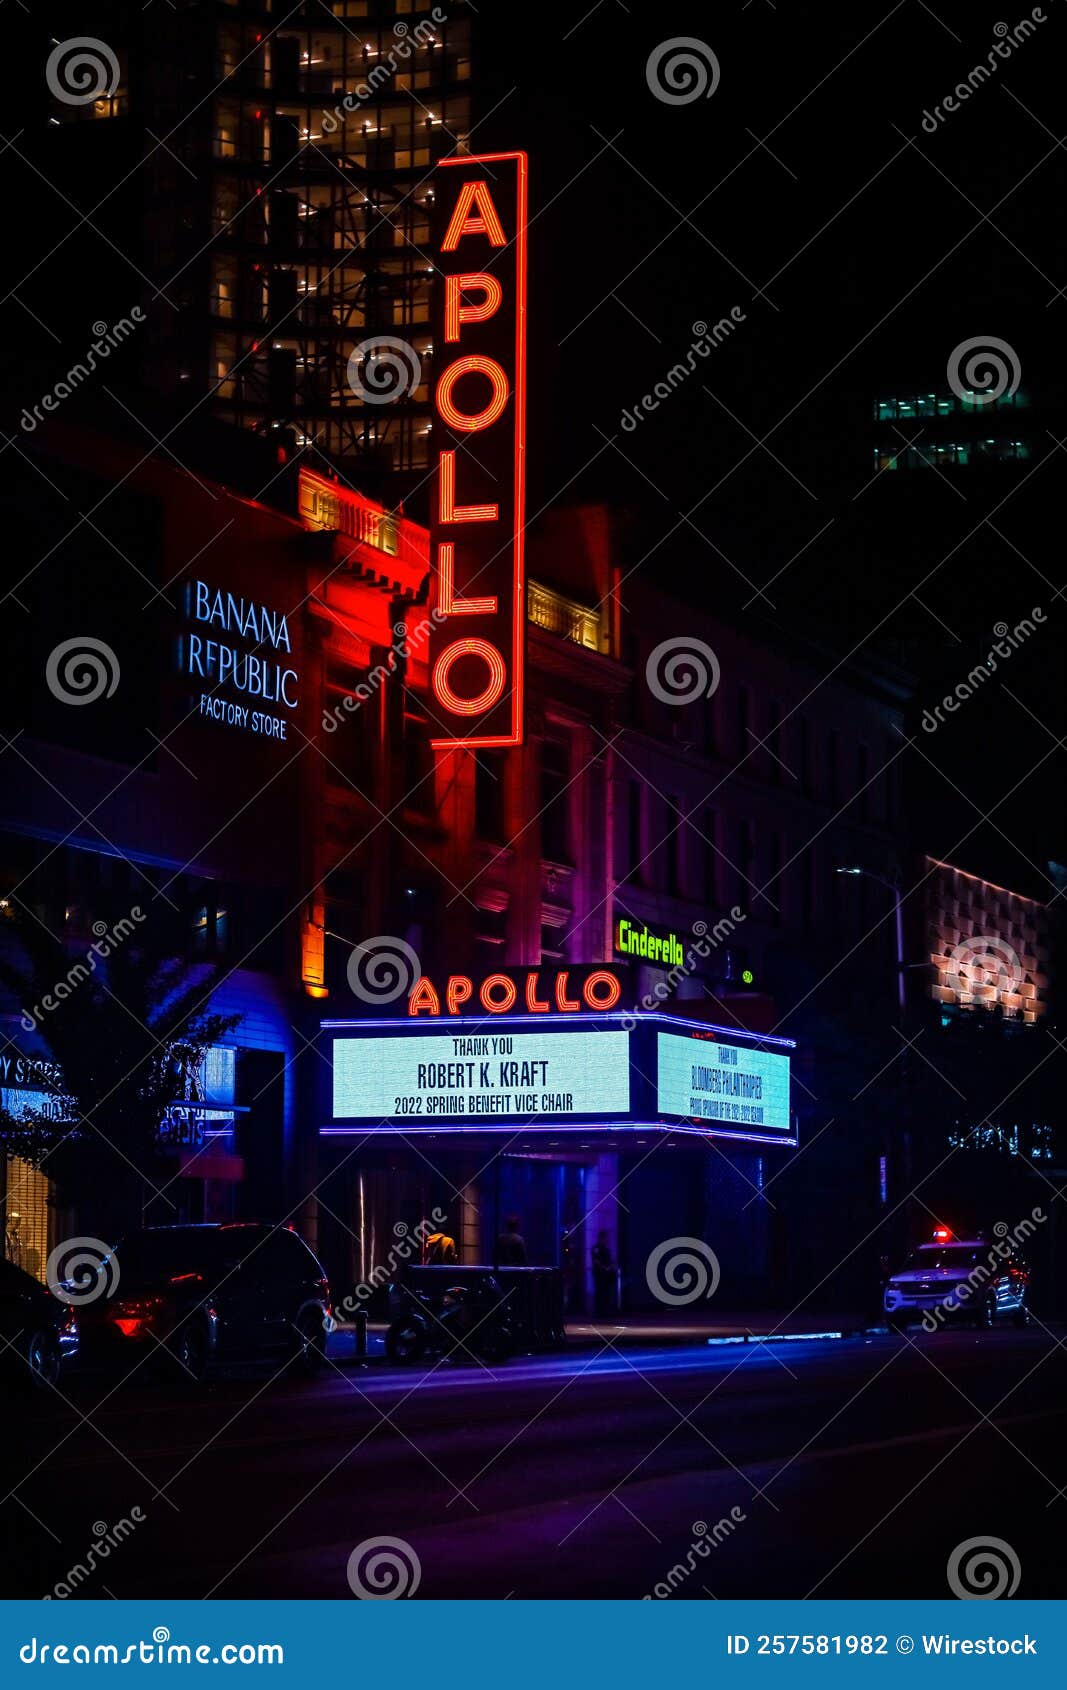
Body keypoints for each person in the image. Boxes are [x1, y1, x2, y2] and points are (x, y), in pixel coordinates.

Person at [592, 1230, 617, 1319]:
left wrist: (610, 1267)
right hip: (599, 1274)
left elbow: (610, 1260)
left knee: (606, 1294)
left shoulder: (606, 1249)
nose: (606, 1240)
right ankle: (599, 1313)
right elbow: (596, 1261)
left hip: (607, 1275)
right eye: (604, 1238)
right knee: (599, 1293)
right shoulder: (596, 1248)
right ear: (600, 1238)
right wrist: (604, 1268)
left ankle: (606, 1312)